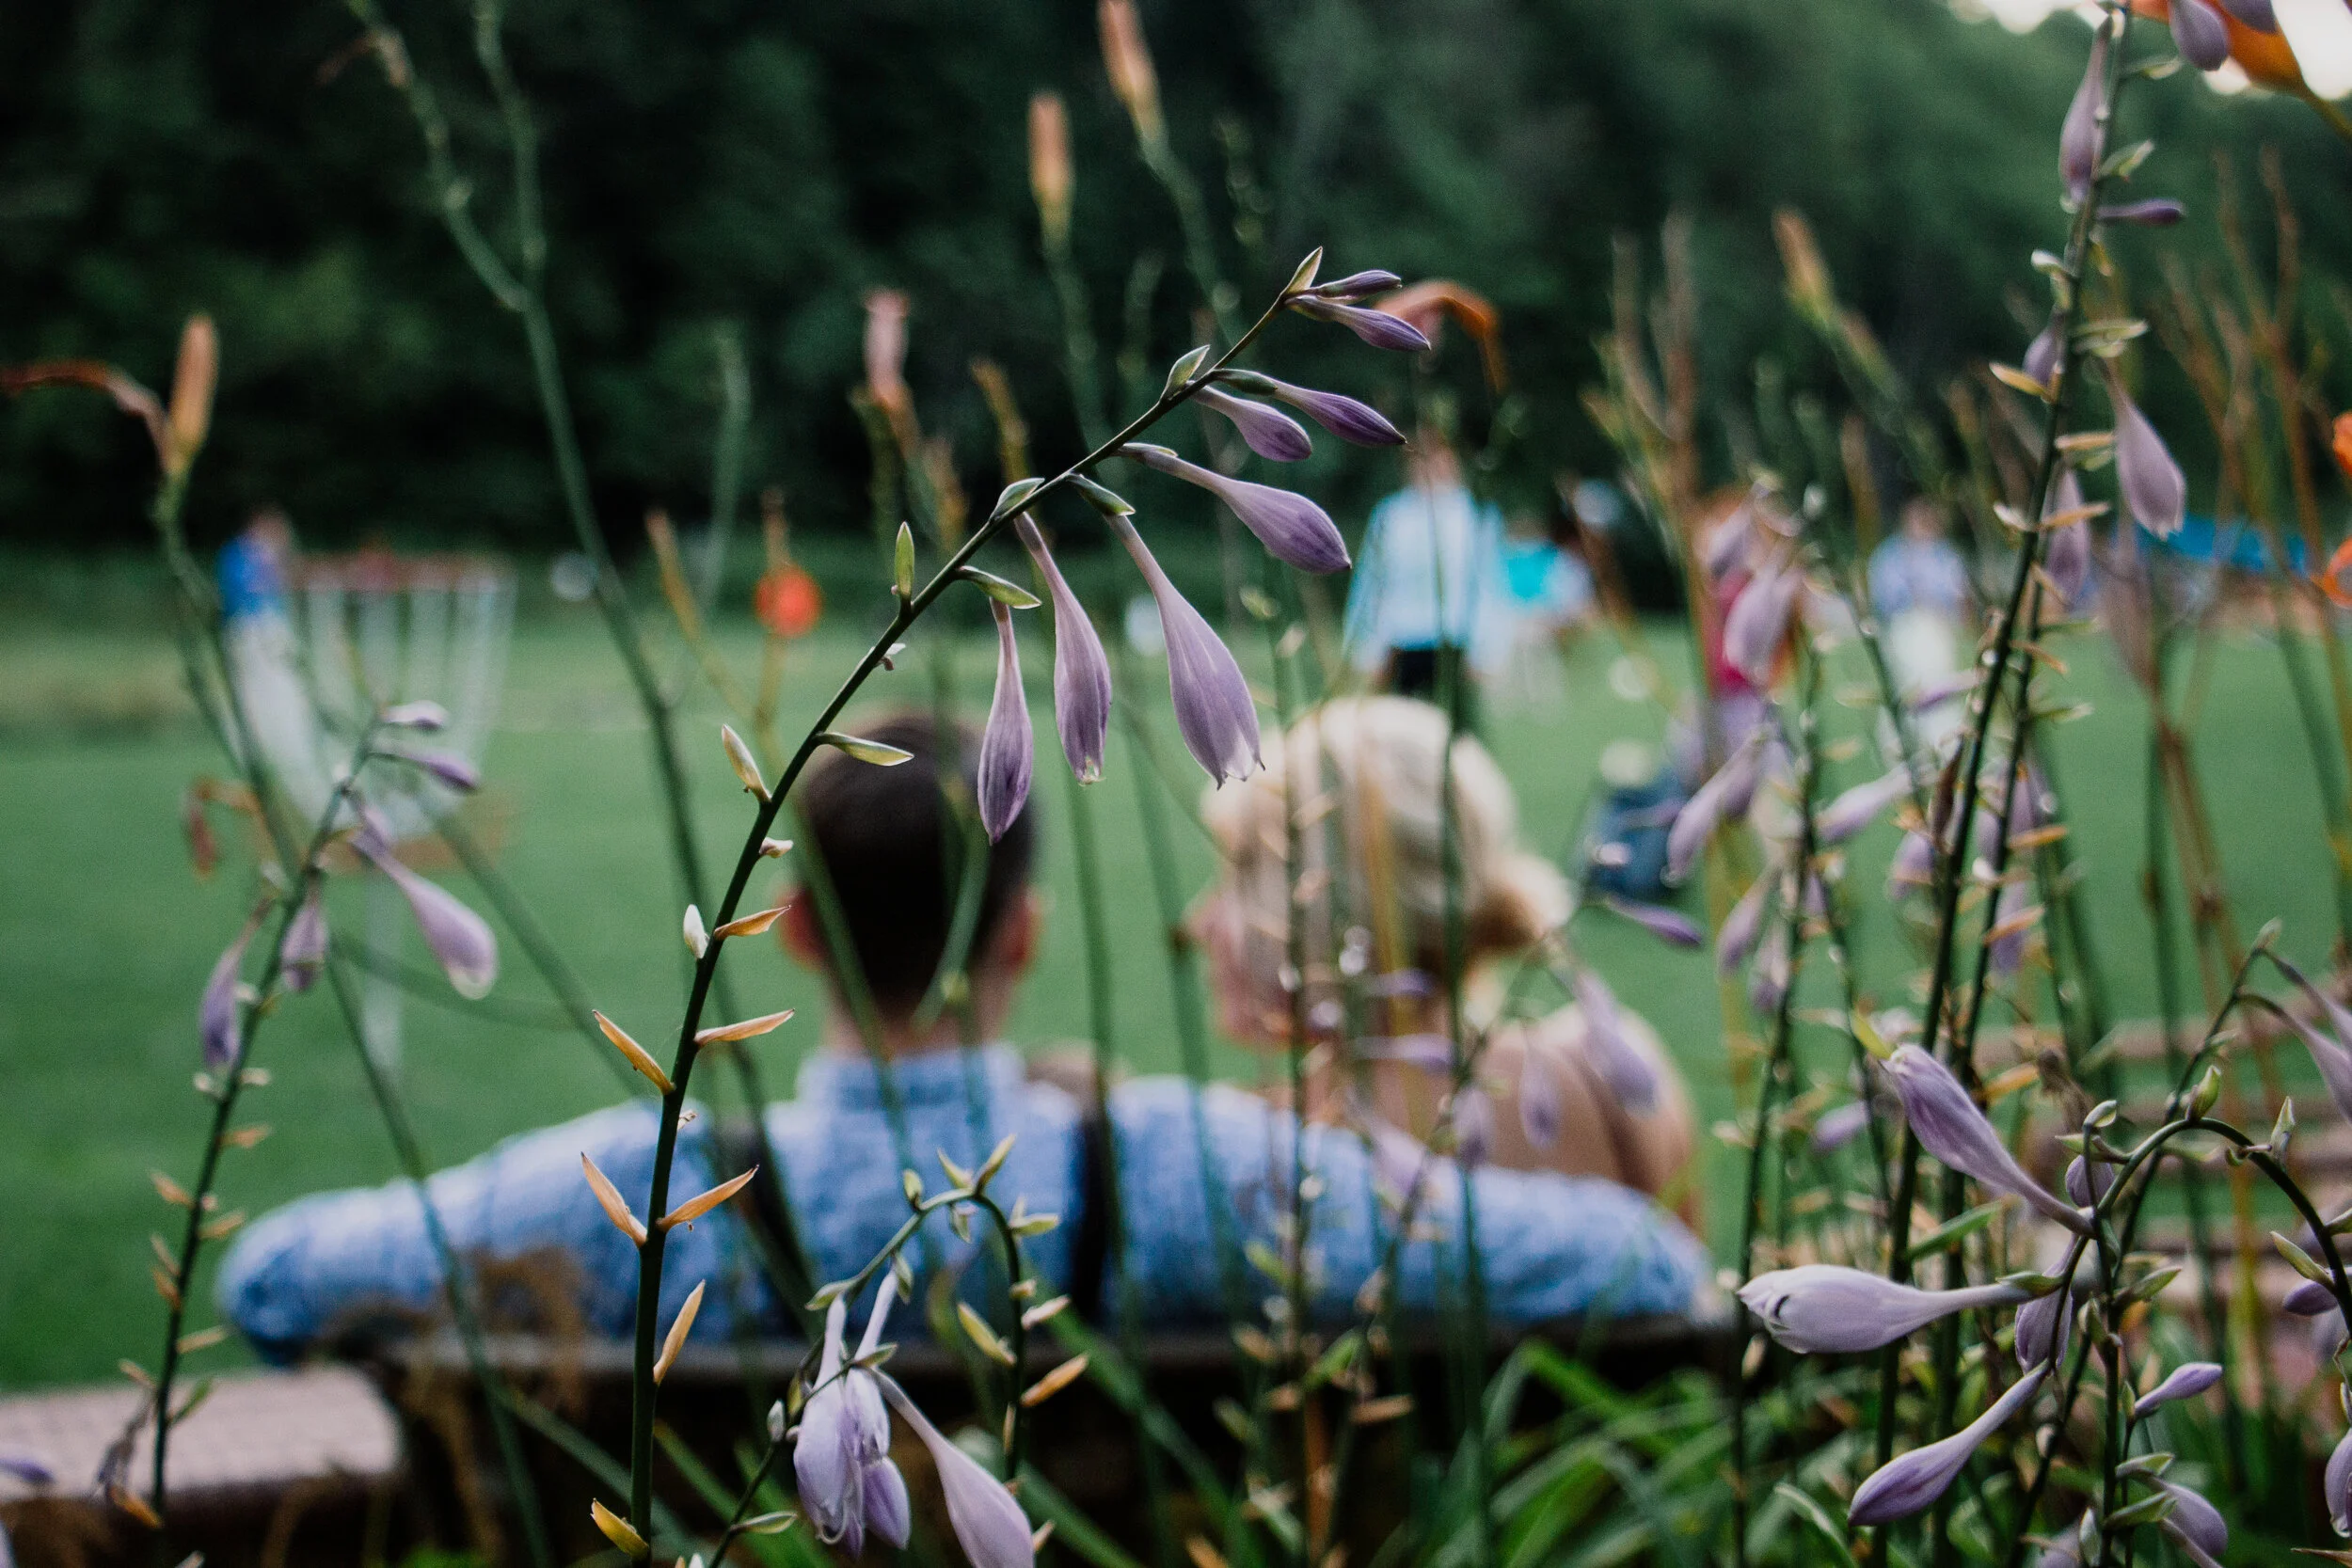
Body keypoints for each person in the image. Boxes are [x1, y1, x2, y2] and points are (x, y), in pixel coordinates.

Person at [217, 714, 1705, 1360]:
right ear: (1026, 934)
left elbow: (274, 1280)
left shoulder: (641, 1195)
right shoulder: (1191, 1170)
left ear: (790, 934)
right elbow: (1637, 1260)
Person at [1192, 697, 1702, 1227]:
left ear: (1327, 910)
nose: (1201, 924)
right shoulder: (1610, 1074)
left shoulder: (1269, 1155)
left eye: (1240, 877)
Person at [1342, 436, 1516, 717]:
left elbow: (1490, 583)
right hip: (1404, 642)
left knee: (1457, 727)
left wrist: (1488, 650)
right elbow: (1371, 585)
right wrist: (1369, 650)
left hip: (1456, 639)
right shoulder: (1391, 516)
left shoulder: (1474, 513)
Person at [1867, 498, 1975, 746]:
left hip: (1937, 627)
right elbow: (1884, 597)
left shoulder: (1944, 555)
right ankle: (1900, 745)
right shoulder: (1890, 555)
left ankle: (1943, 742)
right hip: (1905, 627)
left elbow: (1957, 593)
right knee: (1906, 686)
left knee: (1939, 685)